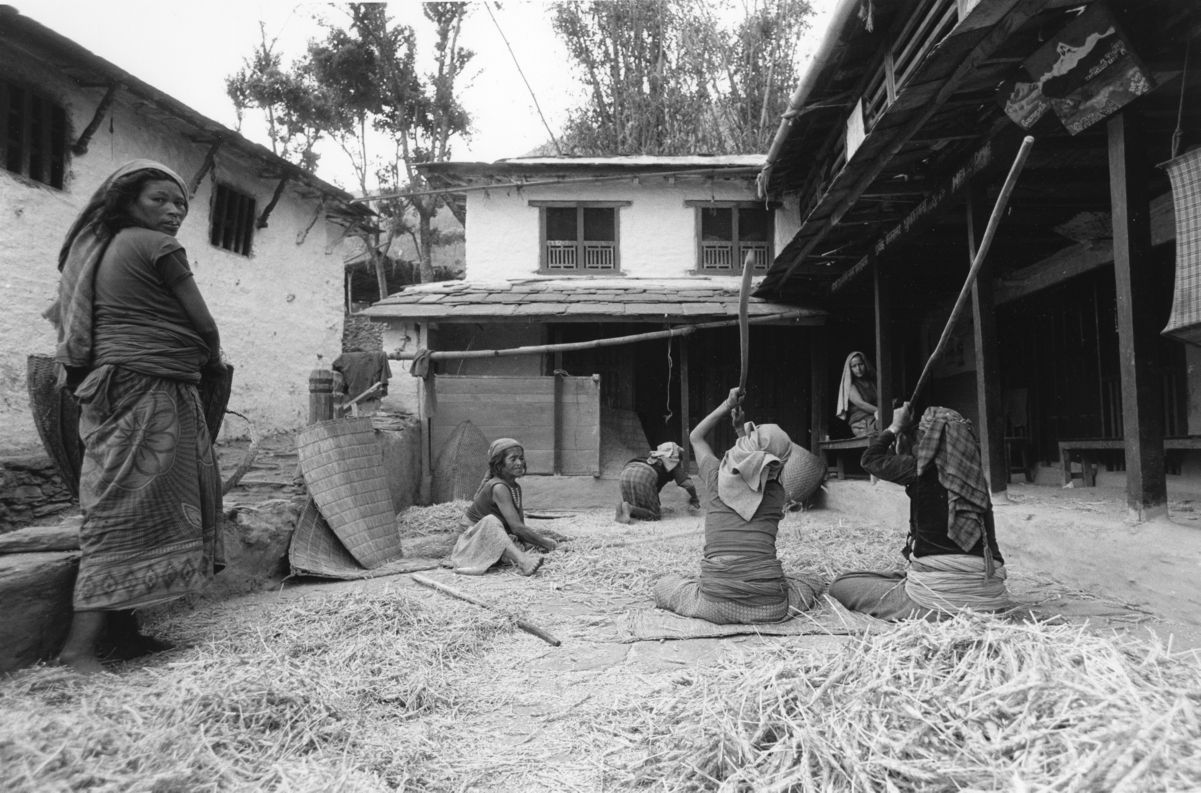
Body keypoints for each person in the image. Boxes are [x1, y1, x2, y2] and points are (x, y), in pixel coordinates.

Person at [47, 160, 226, 673]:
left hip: (117, 386)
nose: (173, 212)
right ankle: (77, 651)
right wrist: (210, 358)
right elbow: (204, 324)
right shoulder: (156, 247)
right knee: (127, 506)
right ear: (126, 201)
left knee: (135, 503)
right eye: (159, 200)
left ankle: (124, 634)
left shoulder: (102, 249)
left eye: (180, 204)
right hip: (150, 388)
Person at [652, 388, 824, 624]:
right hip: (771, 607)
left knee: (664, 584)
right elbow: (756, 470)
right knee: (813, 579)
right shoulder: (776, 494)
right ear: (777, 463)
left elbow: (696, 437)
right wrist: (739, 430)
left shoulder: (714, 477)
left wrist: (726, 404)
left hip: (713, 605)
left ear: (743, 447)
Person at [828, 403, 1012, 620]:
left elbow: (870, 459)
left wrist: (895, 428)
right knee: (902, 575)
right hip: (990, 602)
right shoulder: (976, 480)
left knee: (842, 584)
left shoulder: (917, 470)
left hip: (935, 604)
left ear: (927, 440)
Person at [448, 438, 559, 576]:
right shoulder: (499, 487)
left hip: (486, 542)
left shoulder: (514, 487)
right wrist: (545, 543)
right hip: (469, 545)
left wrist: (535, 542)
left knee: (518, 543)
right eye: (513, 459)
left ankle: (506, 557)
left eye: (521, 458)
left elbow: (519, 525)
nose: (519, 463)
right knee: (491, 520)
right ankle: (524, 562)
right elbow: (517, 528)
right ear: (499, 464)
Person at [615, 441, 700, 523]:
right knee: (655, 515)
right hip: (645, 474)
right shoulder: (673, 464)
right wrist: (694, 499)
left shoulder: (650, 458)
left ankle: (623, 509)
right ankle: (630, 508)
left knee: (638, 506)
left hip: (625, 473)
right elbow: (688, 484)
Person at [835, 351, 879, 437]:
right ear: (850, 369)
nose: (858, 369)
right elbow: (861, 404)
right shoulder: (851, 386)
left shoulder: (872, 383)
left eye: (860, 364)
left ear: (865, 364)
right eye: (854, 366)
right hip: (861, 423)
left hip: (875, 416)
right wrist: (882, 412)